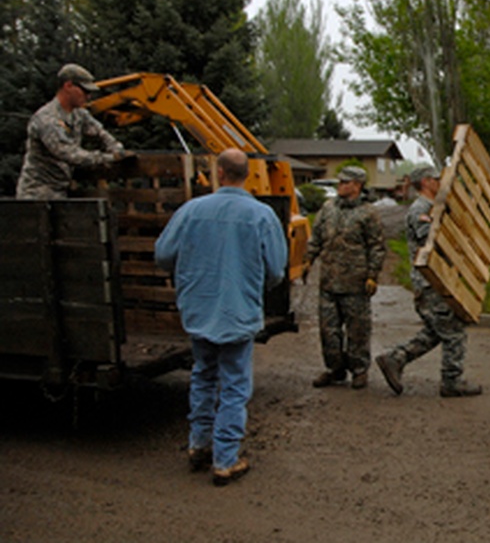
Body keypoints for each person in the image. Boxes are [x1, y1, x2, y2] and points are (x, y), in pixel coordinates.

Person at [154, 149, 288, 486]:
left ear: (219, 173)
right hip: (238, 311)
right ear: (246, 174)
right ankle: (225, 459)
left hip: (199, 308)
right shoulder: (261, 215)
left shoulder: (191, 211)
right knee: (234, 385)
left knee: (202, 375)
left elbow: (163, 255)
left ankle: (199, 445)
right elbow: (275, 270)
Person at [375, 166, 482, 398]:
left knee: (437, 330)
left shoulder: (431, 207)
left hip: (435, 280)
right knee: (453, 331)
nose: (439, 182)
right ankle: (451, 382)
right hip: (429, 281)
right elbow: (431, 242)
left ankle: (395, 358)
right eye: (436, 179)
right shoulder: (420, 210)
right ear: (425, 182)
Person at [305, 166, 386, 389]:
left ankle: (359, 370)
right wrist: (308, 260)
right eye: (339, 182)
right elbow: (316, 238)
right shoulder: (328, 209)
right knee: (328, 330)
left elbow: (377, 246)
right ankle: (335, 369)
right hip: (329, 281)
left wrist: (372, 275)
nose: (340, 185)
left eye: (345, 182)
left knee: (357, 330)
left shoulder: (368, 213)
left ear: (357, 186)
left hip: (355, 283)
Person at [16, 63, 129, 200]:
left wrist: (116, 148)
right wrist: (110, 158)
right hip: (37, 193)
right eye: (85, 91)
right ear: (68, 86)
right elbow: (69, 153)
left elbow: (100, 133)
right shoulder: (47, 119)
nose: (88, 97)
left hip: (61, 190)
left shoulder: (78, 114)